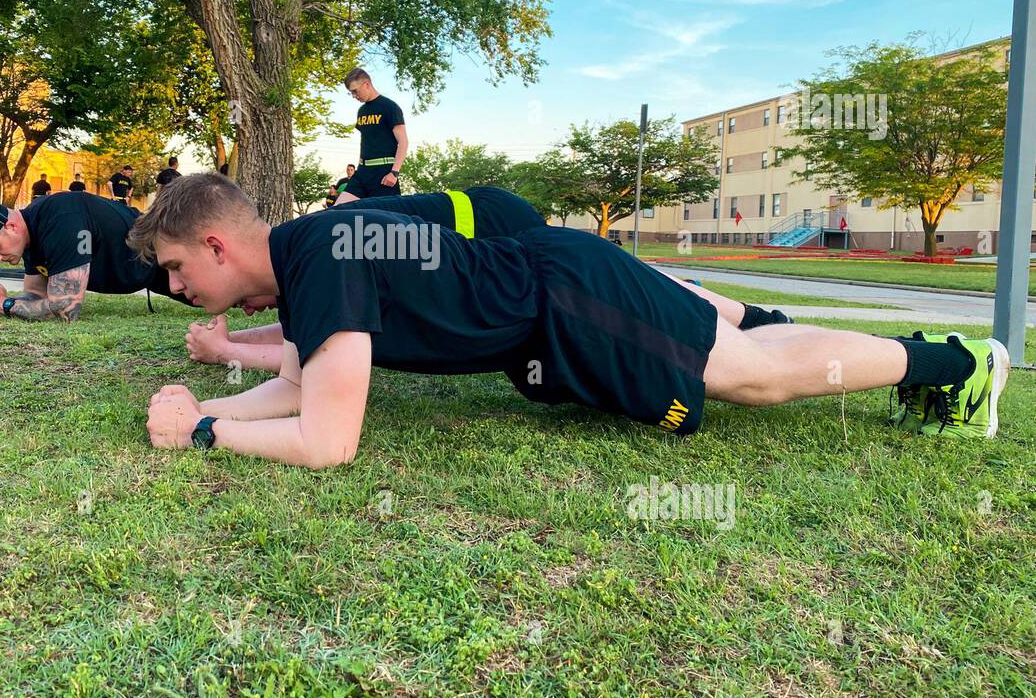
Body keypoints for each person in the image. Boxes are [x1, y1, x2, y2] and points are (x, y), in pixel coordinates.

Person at [130, 175, 1009, 468]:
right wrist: (204, 407)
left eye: (175, 269)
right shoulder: (309, 253)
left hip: (567, 298)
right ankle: (943, 363)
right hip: (552, 310)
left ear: (214, 244)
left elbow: (329, 441)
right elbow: (298, 384)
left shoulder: (316, 251)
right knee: (744, 359)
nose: (179, 287)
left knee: (756, 378)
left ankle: (957, 364)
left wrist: (202, 434)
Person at [184, 186, 793, 373]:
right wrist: (232, 348)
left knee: (641, 287)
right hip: (501, 247)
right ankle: (753, 322)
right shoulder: (311, 247)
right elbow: (307, 335)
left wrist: (229, 350)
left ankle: (749, 317)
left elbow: (316, 337)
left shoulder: (321, 246)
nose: (253, 313)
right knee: (640, 286)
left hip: (497, 229)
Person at [0, 192, 190, 321]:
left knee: (224, 296)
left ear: (11, 226)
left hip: (168, 255)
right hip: (146, 273)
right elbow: (38, 294)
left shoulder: (62, 219)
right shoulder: (29, 233)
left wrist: (4, 304)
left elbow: (66, 309)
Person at [335, 68, 406, 203]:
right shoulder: (361, 111)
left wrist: (394, 173)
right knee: (337, 209)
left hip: (384, 174)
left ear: (367, 84)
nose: (354, 96)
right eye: (351, 93)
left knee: (385, 220)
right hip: (362, 172)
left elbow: (403, 142)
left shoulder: (390, 107)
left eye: (355, 91)